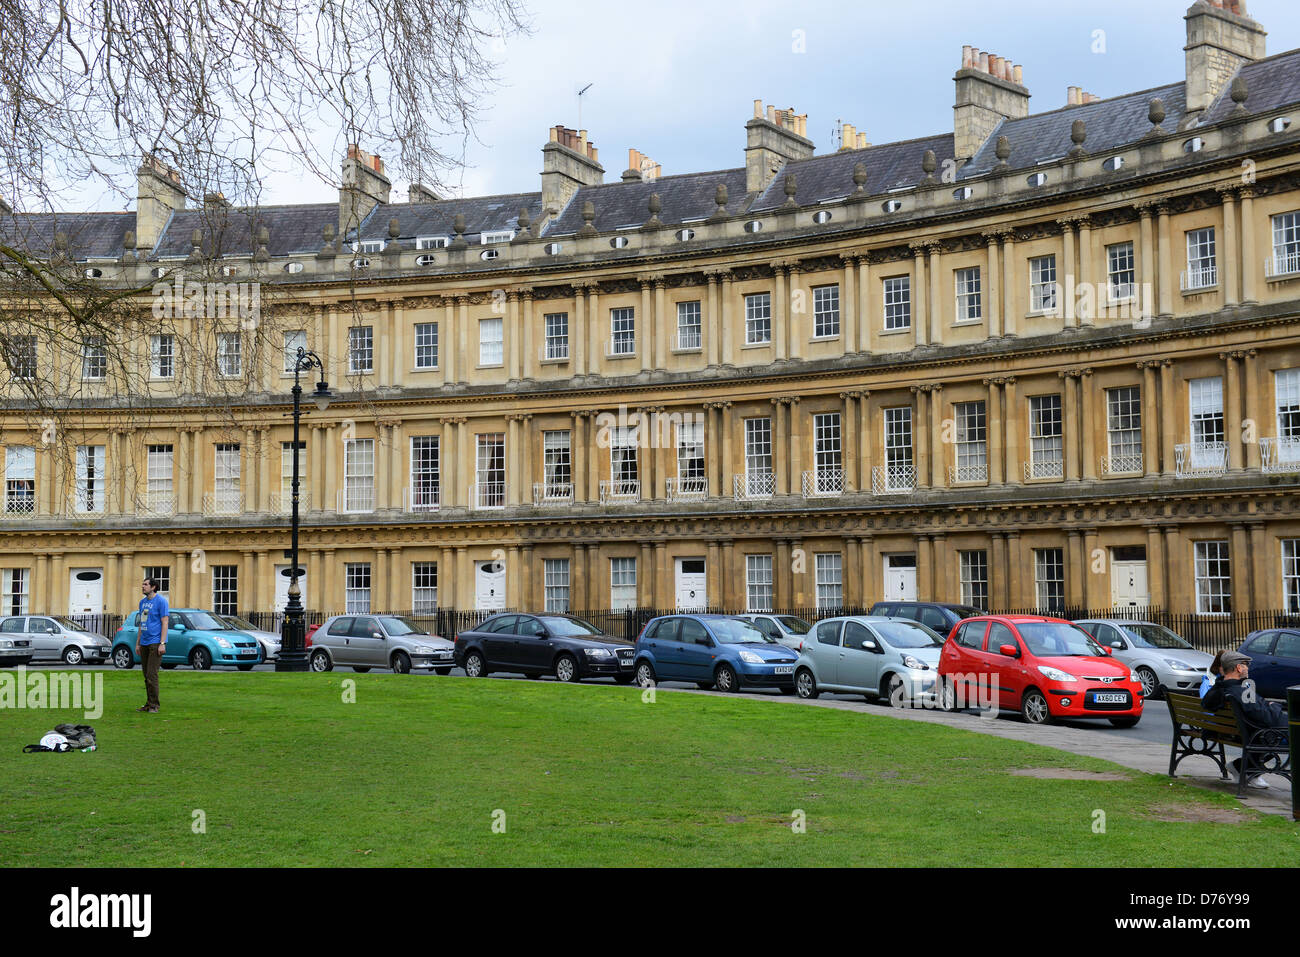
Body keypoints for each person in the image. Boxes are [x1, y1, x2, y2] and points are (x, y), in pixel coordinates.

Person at [1203, 650, 1289, 789]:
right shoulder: (1241, 691)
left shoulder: (1219, 689)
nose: (1248, 668)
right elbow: (1267, 718)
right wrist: (1275, 706)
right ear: (1238, 668)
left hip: (1236, 731)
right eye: (1246, 665)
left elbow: (1206, 703)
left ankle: (1244, 768)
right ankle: (1245, 768)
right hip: (1261, 734)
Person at [135, 577, 169, 713]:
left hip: (155, 642)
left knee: (152, 674)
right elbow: (141, 624)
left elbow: (165, 622)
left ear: (153, 587)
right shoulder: (142, 603)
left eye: (145, 584)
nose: (143, 587)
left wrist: (162, 643)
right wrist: (137, 643)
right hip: (144, 642)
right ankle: (148, 704)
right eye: (142, 584)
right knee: (146, 675)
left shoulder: (161, 601)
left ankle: (154, 705)